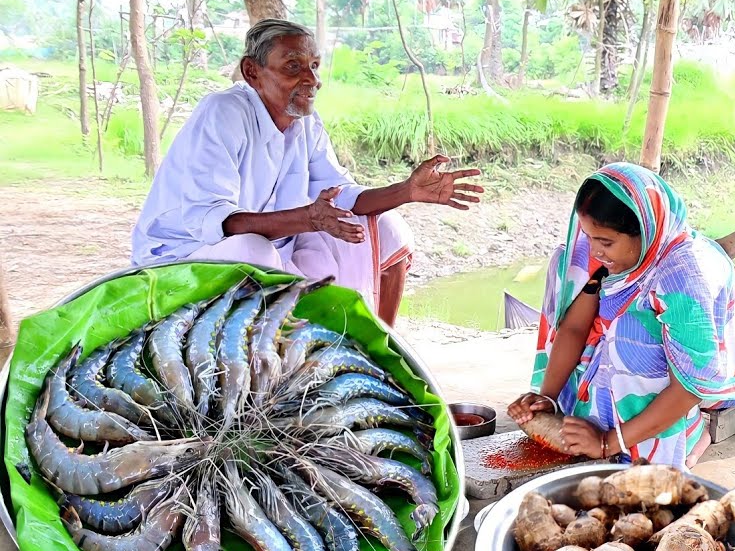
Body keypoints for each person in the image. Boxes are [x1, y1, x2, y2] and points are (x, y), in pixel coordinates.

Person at [130, 18, 484, 326]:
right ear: (252, 72)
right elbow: (223, 224)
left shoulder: (305, 123)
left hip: (277, 245)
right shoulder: (224, 112)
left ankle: (381, 346)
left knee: (386, 227)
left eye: (314, 65)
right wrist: (309, 219)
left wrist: (407, 191)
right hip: (188, 253)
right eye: (293, 67)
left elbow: (341, 193)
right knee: (255, 253)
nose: (312, 79)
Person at [506, 162, 735, 469]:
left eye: (605, 242)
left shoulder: (685, 278)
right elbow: (573, 328)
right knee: (570, 264)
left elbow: (689, 389)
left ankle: (685, 432)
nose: (595, 251)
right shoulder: (602, 252)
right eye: (589, 236)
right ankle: (605, 415)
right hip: (662, 361)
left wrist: (609, 441)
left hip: (693, 384)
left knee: (630, 333)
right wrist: (549, 400)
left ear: (645, 229)